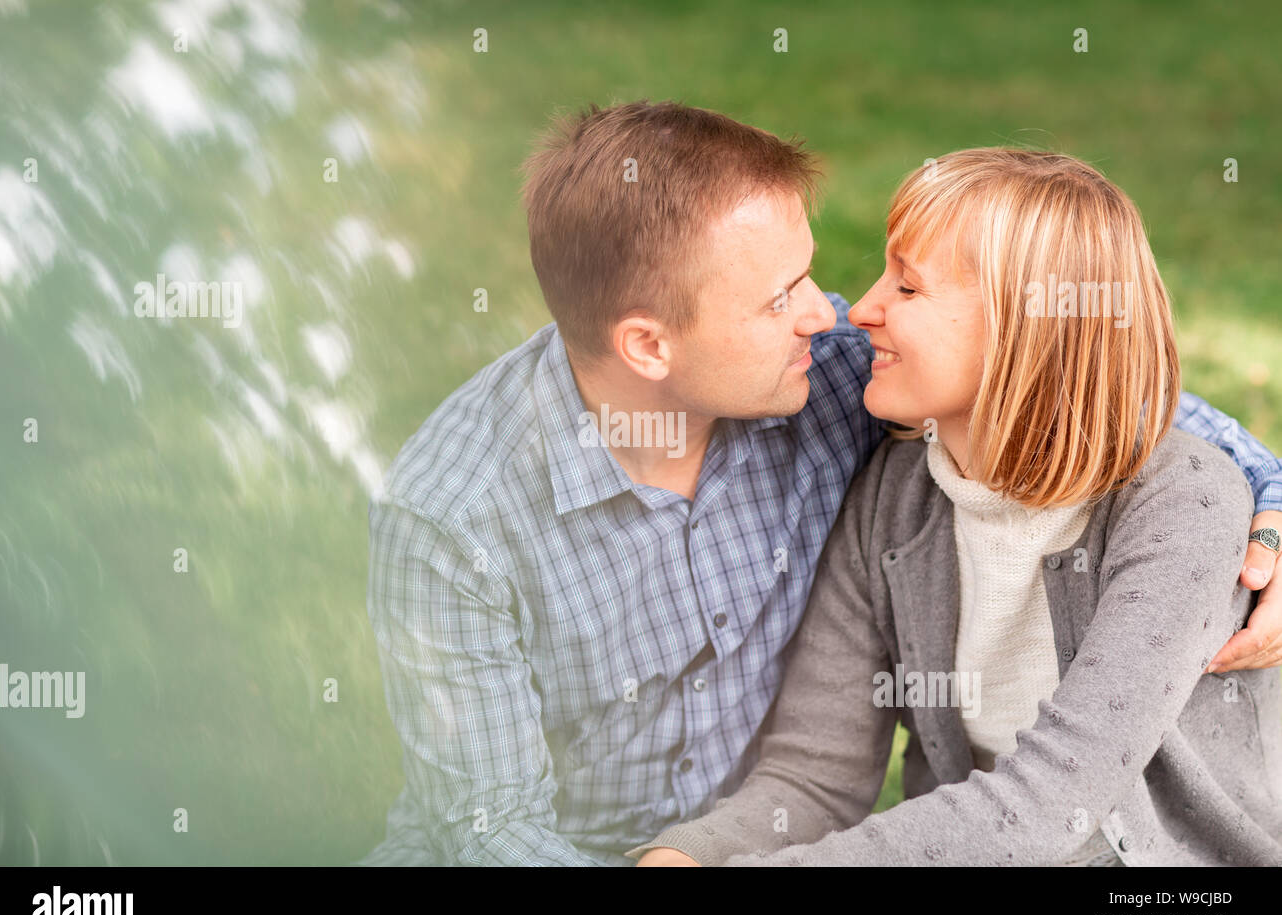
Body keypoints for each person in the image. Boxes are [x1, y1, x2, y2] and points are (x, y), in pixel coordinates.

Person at [360, 103, 1282, 866]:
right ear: (647, 345)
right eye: (780, 297)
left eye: (818, 275)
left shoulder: (829, 367)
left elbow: (1107, 402)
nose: (837, 311)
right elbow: (493, 830)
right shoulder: (451, 519)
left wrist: (1274, 513)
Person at [631, 148, 1282, 866]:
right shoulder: (895, 494)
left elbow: (1048, 806)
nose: (864, 309)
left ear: (1022, 328)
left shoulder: (1178, 505)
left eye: (907, 289)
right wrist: (680, 858)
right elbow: (813, 778)